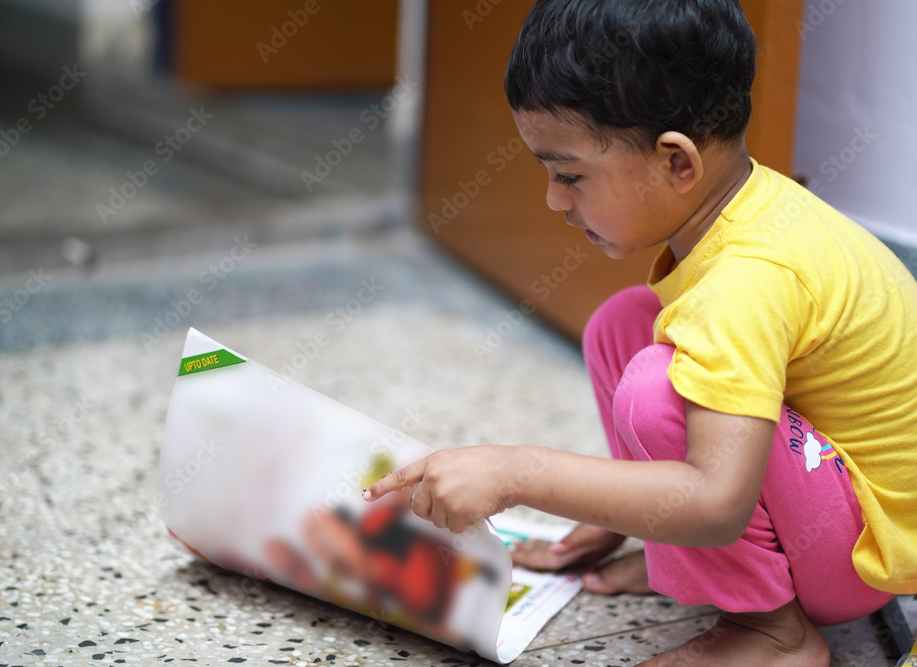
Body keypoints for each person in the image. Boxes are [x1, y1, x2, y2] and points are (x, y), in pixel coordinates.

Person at [363, 0, 917, 664]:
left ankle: (773, 634)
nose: (554, 199)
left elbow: (715, 501)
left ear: (676, 163)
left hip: (867, 557)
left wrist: (516, 471)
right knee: (623, 324)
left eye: (569, 174)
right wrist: (620, 520)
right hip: (835, 498)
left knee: (658, 388)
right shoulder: (744, 207)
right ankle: (685, 558)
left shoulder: (748, 275)